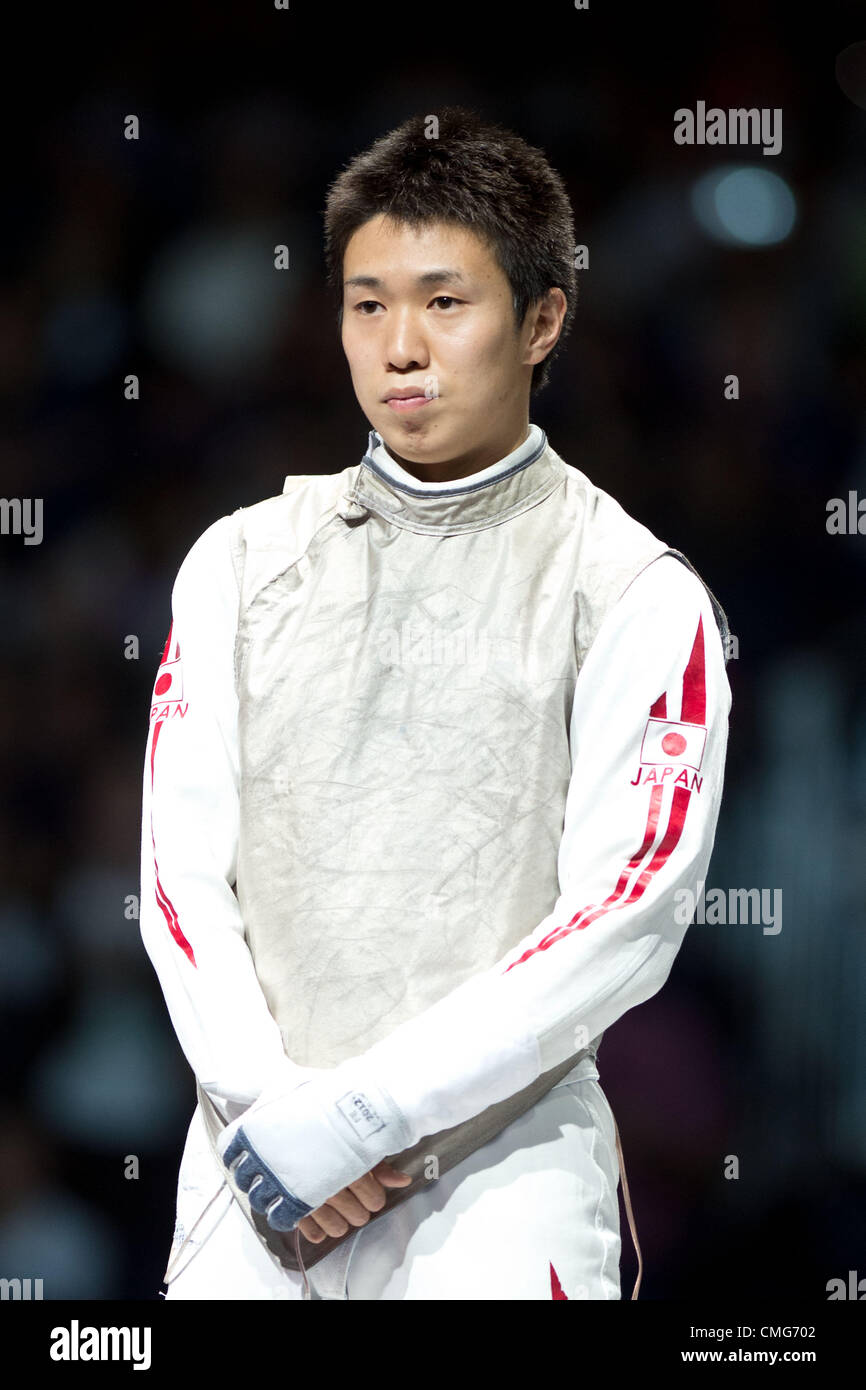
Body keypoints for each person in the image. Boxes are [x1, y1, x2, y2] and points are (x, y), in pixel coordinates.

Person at [139, 106, 732, 1301]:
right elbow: (177, 876)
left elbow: (625, 913)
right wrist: (277, 1113)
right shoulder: (241, 561)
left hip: (498, 1186)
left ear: (542, 319)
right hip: (255, 1165)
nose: (399, 345)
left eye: (444, 302)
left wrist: (364, 1116)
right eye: (367, 304)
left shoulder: (629, 587)